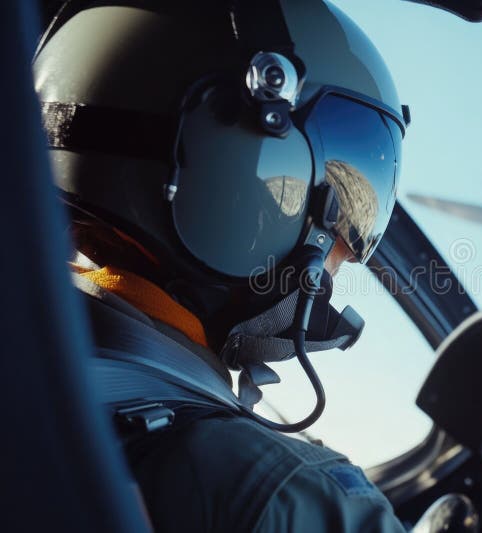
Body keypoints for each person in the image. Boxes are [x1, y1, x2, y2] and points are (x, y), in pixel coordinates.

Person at [33, 0, 414, 530]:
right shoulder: (281, 497)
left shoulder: (33, 356)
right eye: (343, 221)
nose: (347, 250)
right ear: (231, 162)